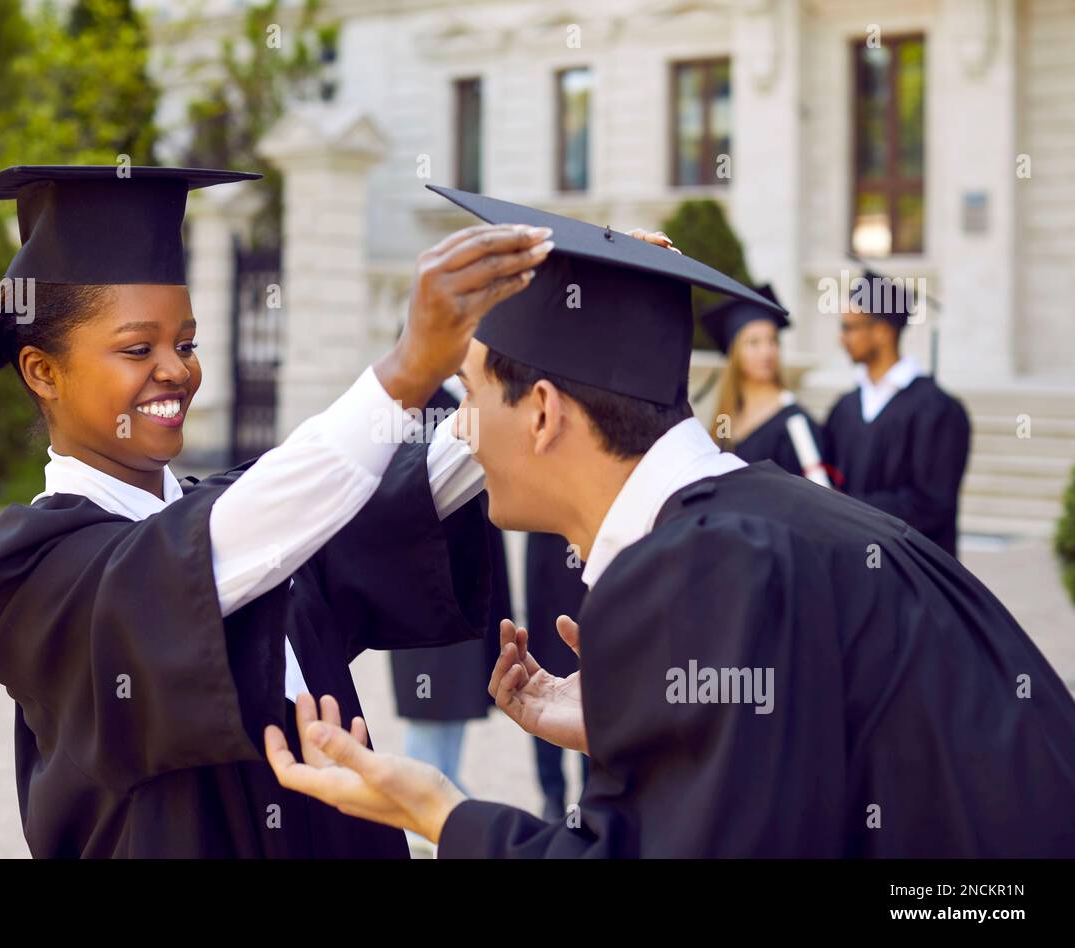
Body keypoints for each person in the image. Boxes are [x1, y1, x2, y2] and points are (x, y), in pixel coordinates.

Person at [263, 185, 1075, 858]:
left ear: (542, 413)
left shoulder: (698, 568)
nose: (461, 432)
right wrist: (646, 722)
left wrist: (440, 812)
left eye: (470, 400)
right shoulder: (767, 521)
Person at [0, 164, 553, 857]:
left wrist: (545, 346)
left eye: (186, 343)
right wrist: (405, 371)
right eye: (137, 348)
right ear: (42, 371)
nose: (176, 370)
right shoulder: (39, 576)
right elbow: (212, 550)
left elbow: (396, 495)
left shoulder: (234, 522)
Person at [389, 379, 513, 803]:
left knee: (454, 706)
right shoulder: (419, 402)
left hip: (469, 580)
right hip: (428, 583)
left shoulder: (475, 401)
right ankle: (427, 816)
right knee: (432, 710)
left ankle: (443, 802)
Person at [824, 269, 971, 557]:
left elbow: (931, 503)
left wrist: (843, 508)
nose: (842, 339)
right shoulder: (845, 407)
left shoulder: (937, 410)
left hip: (913, 572)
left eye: (849, 327)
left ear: (881, 331)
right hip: (853, 564)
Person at [701, 285, 829, 485]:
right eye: (754, 343)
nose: (766, 351)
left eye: (772, 341)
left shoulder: (795, 422)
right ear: (734, 353)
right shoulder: (726, 420)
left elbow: (819, 493)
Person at [522, 531, 587, 821]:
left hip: (591, 536)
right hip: (547, 538)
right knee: (543, 676)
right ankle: (551, 793)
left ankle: (591, 791)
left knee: (597, 674)